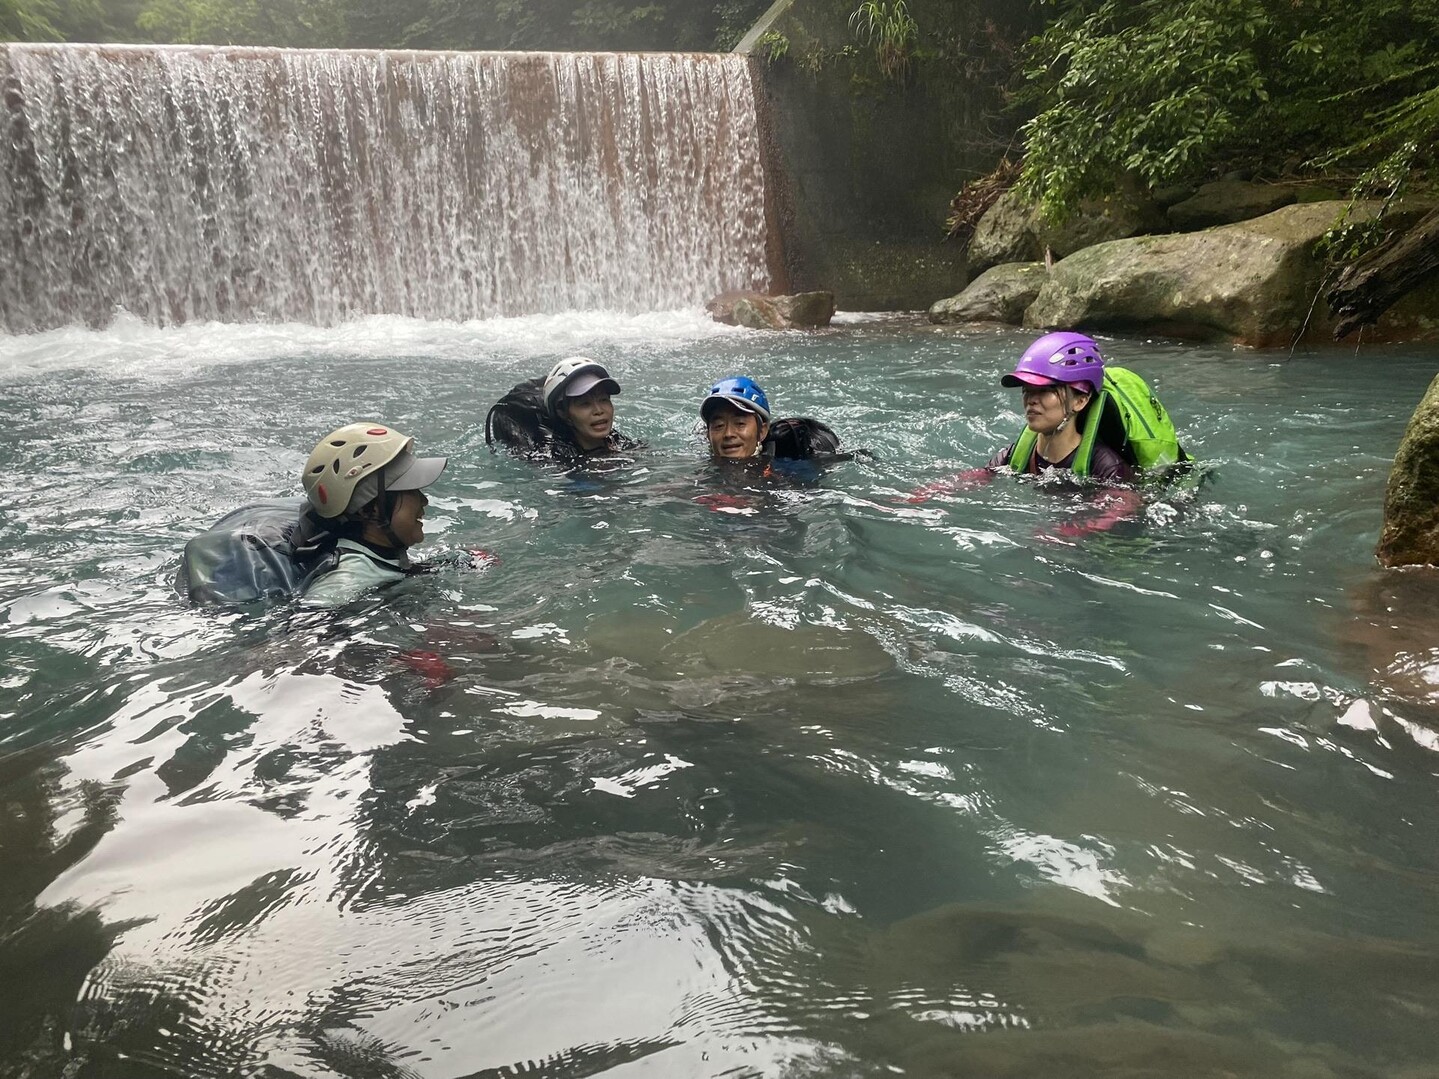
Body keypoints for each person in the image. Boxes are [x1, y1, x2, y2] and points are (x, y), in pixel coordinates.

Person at [298, 422, 448, 607]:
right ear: (371, 509)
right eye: (411, 491)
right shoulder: (344, 581)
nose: (424, 501)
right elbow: (305, 629)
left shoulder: (377, 554)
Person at [485, 357, 642, 466]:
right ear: (564, 413)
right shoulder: (557, 459)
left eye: (603, 400)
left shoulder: (617, 440)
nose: (599, 411)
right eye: (585, 404)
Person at [700, 376, 847, 463]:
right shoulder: (702, 470)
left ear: (762, 430)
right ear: (708, 435)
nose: (728, 434)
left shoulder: (789, 461)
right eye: (718, 426)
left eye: (740, 423)